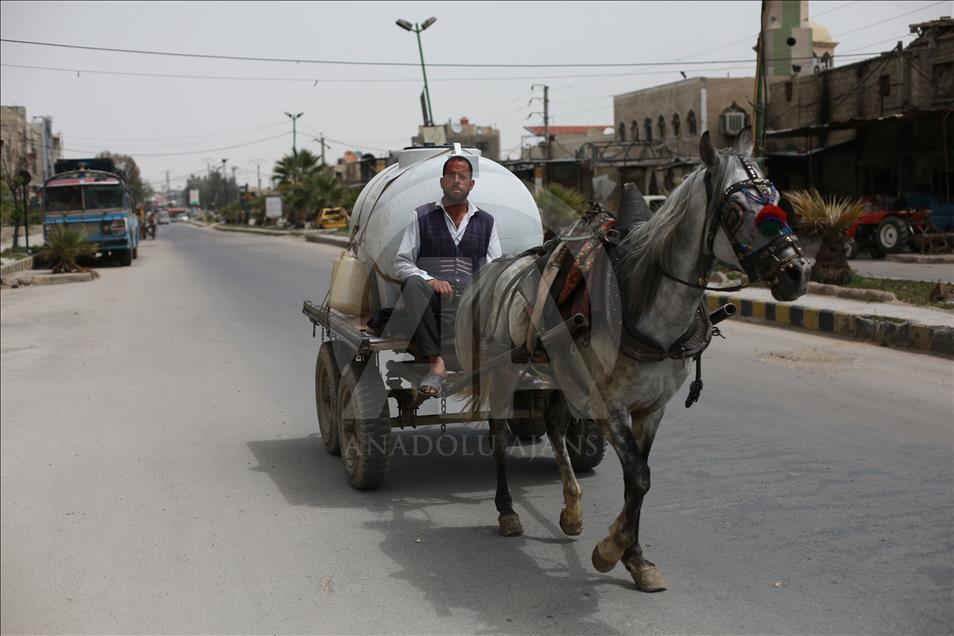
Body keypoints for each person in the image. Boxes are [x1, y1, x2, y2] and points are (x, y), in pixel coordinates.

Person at [393, 155, 501, 396]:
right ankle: (436, 363)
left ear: (471, 184)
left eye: (462, 176)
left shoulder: (486, 221)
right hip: (433, 305)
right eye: (451, 175)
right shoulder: (421, 216)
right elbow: (401, 261)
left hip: (472, 305)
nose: (456, 180)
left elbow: (495, 268)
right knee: (412, 284)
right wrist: (430, 280)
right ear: (442, 182)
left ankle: (502, 358)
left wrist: (476, 288)